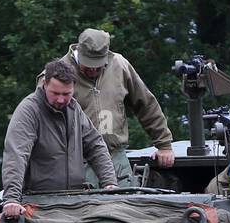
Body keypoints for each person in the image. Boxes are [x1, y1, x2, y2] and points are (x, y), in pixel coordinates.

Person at [38, 28, 175, 188]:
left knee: (125, 209)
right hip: (75, 164)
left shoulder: (120, 65)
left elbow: (145, 104)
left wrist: (164, 144)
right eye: (88, 65)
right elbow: (39, 122)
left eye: (98, 65)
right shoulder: (56, 77)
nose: (93, 70)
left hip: (116, 160)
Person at [2, 60, 116, 220]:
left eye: (66, 94)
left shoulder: (74, 108)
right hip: (39, 202)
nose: (61, 100)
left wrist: (109, 183)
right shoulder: (29, 111)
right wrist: (12, 199)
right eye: (55, 93)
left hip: (76, 201)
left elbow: (95, 145)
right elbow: (17, 155)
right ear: (45, 84)